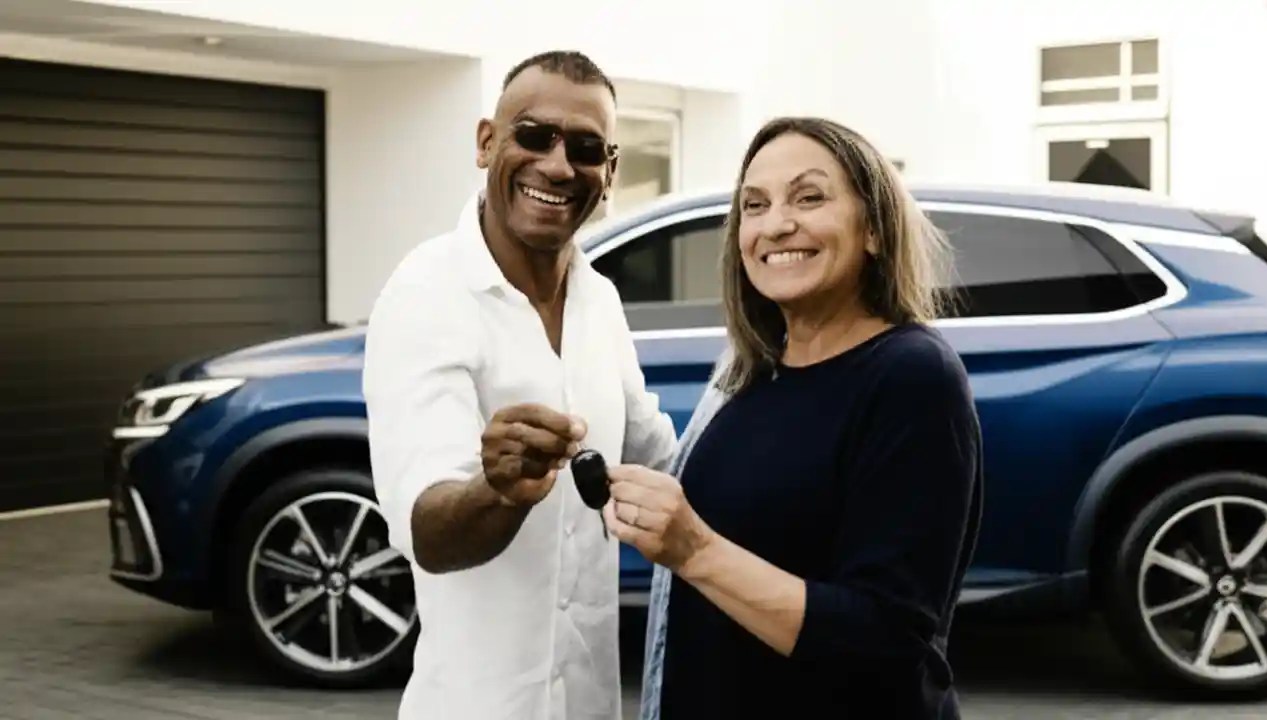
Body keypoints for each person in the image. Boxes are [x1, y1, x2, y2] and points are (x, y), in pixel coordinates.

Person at [608, 117, 985, 719]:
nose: (776, 223)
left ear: (874, 231)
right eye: (754, 206)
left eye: (809, 198)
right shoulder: (747, 373)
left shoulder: (912, 376)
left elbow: (886, 642)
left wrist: (694, 549)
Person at [362, 50, 679, 720]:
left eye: (587, 148)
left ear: (611, 172)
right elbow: (429, 532)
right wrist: (497, 492)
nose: (559, 165)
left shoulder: (600, 300)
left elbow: (656, 456)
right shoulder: (425, 294)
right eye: (534, 136)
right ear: (487, 143)